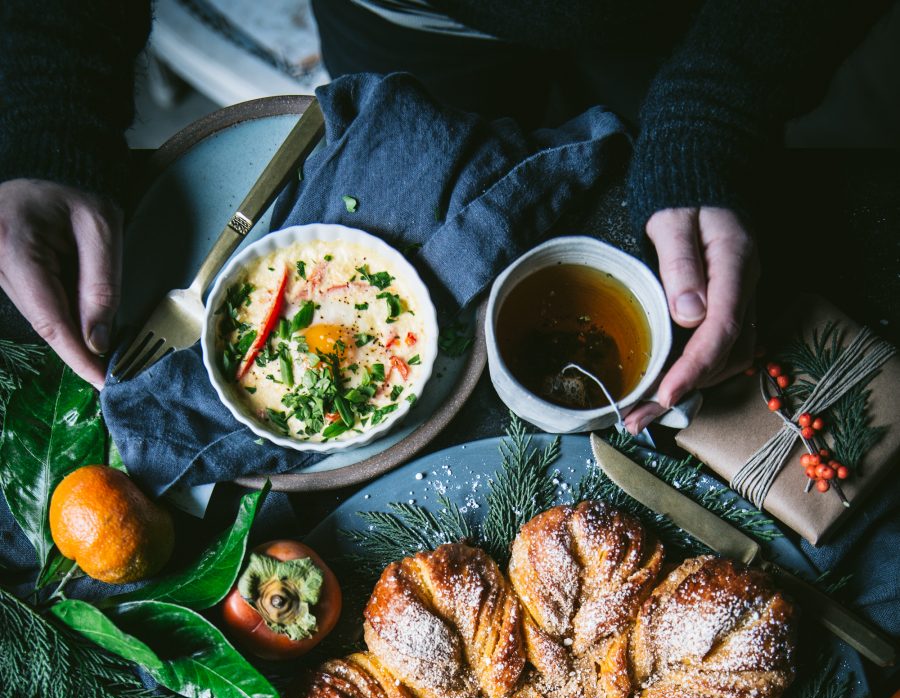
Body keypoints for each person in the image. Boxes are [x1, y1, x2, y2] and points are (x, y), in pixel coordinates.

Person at [0, 0, 888, 434]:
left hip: (675, 21)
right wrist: (48, 98)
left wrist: (720, 104)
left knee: (634, 191)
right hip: (405, 16)